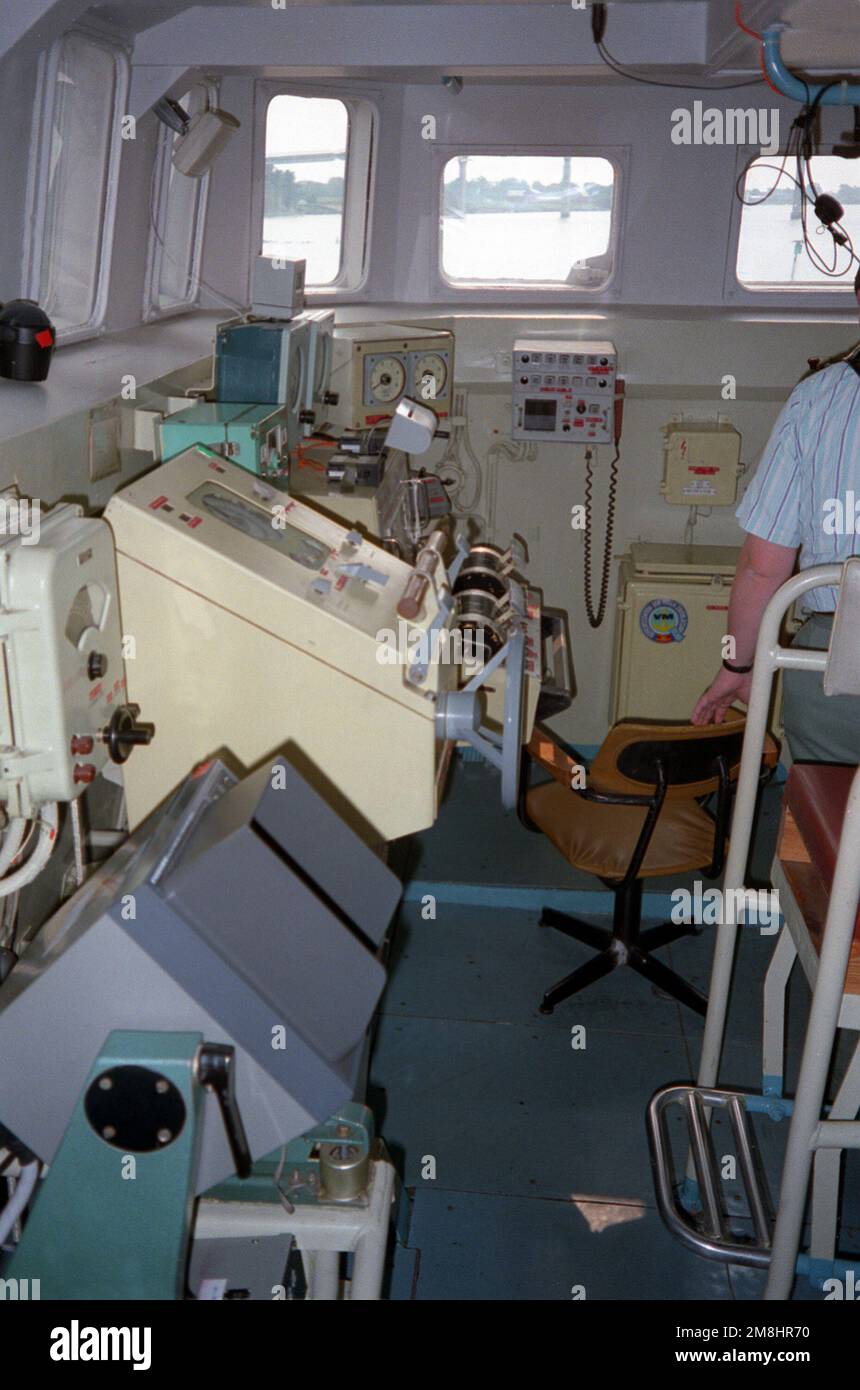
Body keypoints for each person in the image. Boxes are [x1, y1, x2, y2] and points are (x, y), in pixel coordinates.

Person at [691, 267, 860, 763]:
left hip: (839, 660)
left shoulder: (819, 400)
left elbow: (763, 565)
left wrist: (736, 666)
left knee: (825, 820)